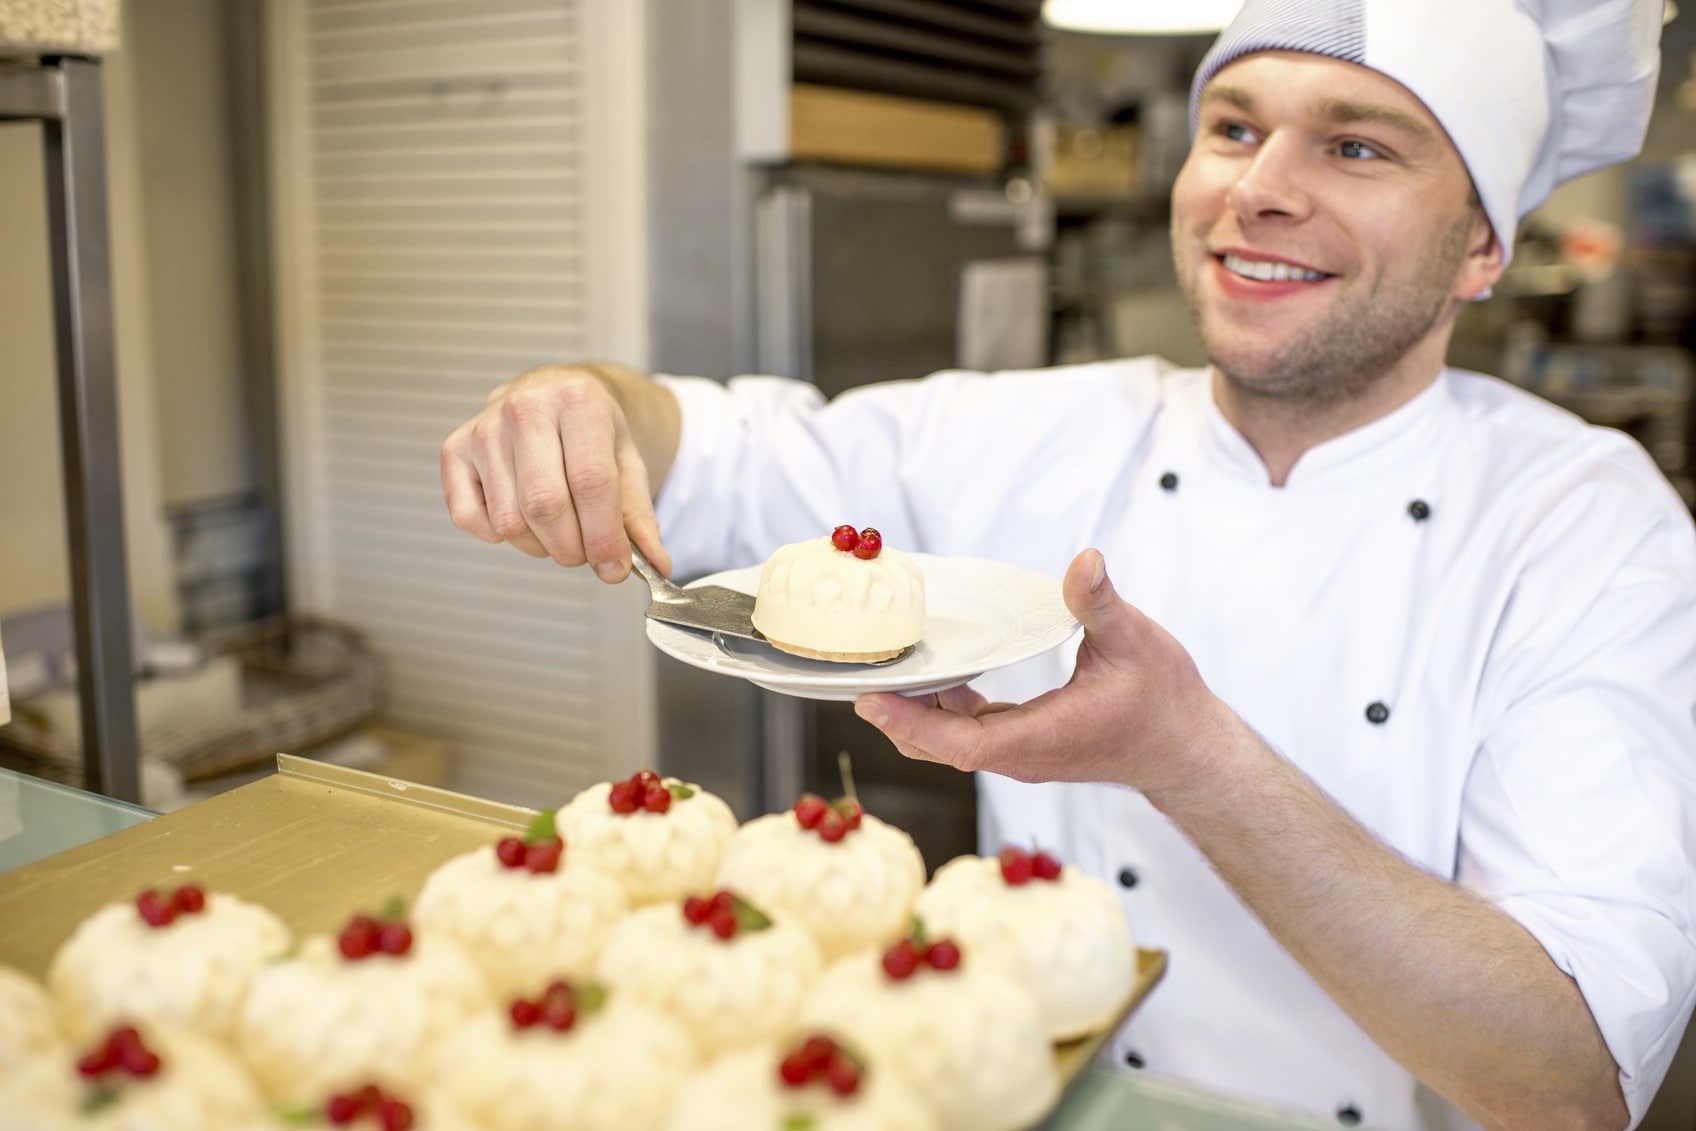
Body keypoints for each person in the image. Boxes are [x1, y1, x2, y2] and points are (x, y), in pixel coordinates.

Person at [439, 0, 1696, 1126]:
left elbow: (1566, 1078)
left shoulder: (1585, 525)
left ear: (1482, 245)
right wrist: (582, 402)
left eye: (1356, 144)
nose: (1257, 188)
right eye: (1232, 127)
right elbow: (713, 444)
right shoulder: (1042, 432)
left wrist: (1192, 758)